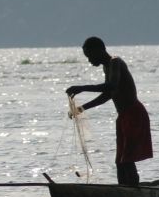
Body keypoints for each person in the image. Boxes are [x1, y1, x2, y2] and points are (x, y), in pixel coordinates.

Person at [65, 37, 152, 185]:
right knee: (120, 160)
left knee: (127, 159)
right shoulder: (107, 67)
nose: (89, 60)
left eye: (90, 56)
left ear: (99, 50)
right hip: (123, 117)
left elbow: (111, 86)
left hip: (134, 114)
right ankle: (123, 190)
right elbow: (107, 95)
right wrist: (81, 108)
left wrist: (81, 87)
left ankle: (134, 192)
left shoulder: (115, 62)